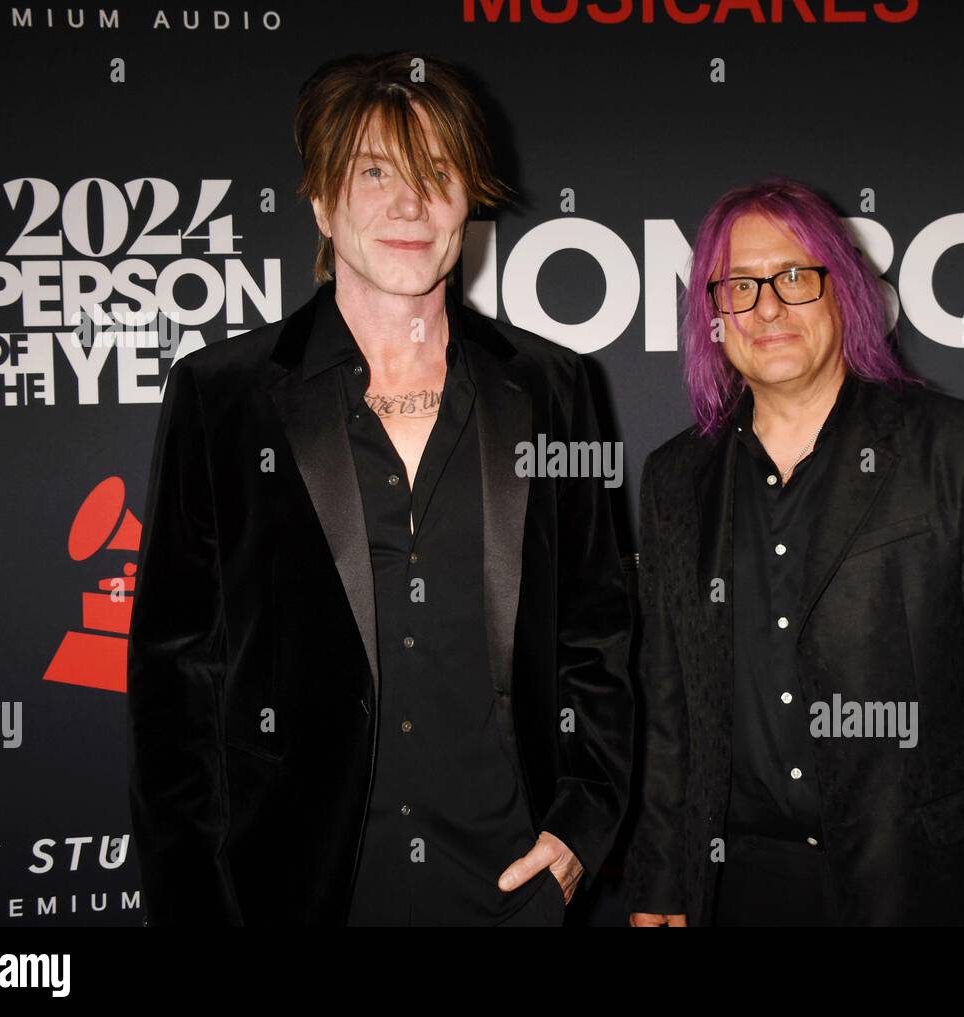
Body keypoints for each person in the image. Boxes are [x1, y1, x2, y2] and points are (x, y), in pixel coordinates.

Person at [127, 51, 633, 926]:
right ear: (322, 202)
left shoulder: (553, 388)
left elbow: (600, 625)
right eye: (373, 171)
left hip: (512, 887)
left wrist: (583, 823)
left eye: (437, 171)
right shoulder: (224, 394)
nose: (410, 203)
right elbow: (178, 679)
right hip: (298, 892)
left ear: (468, 198)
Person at [624, 178, 964, 926]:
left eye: (795, 277)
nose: (767, 306)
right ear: (713, 315)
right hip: (735, 890)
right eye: (740, 285)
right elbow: (672, 713)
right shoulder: (675, 478)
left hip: (914, 885)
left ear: (846, 291)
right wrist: (662, 881)